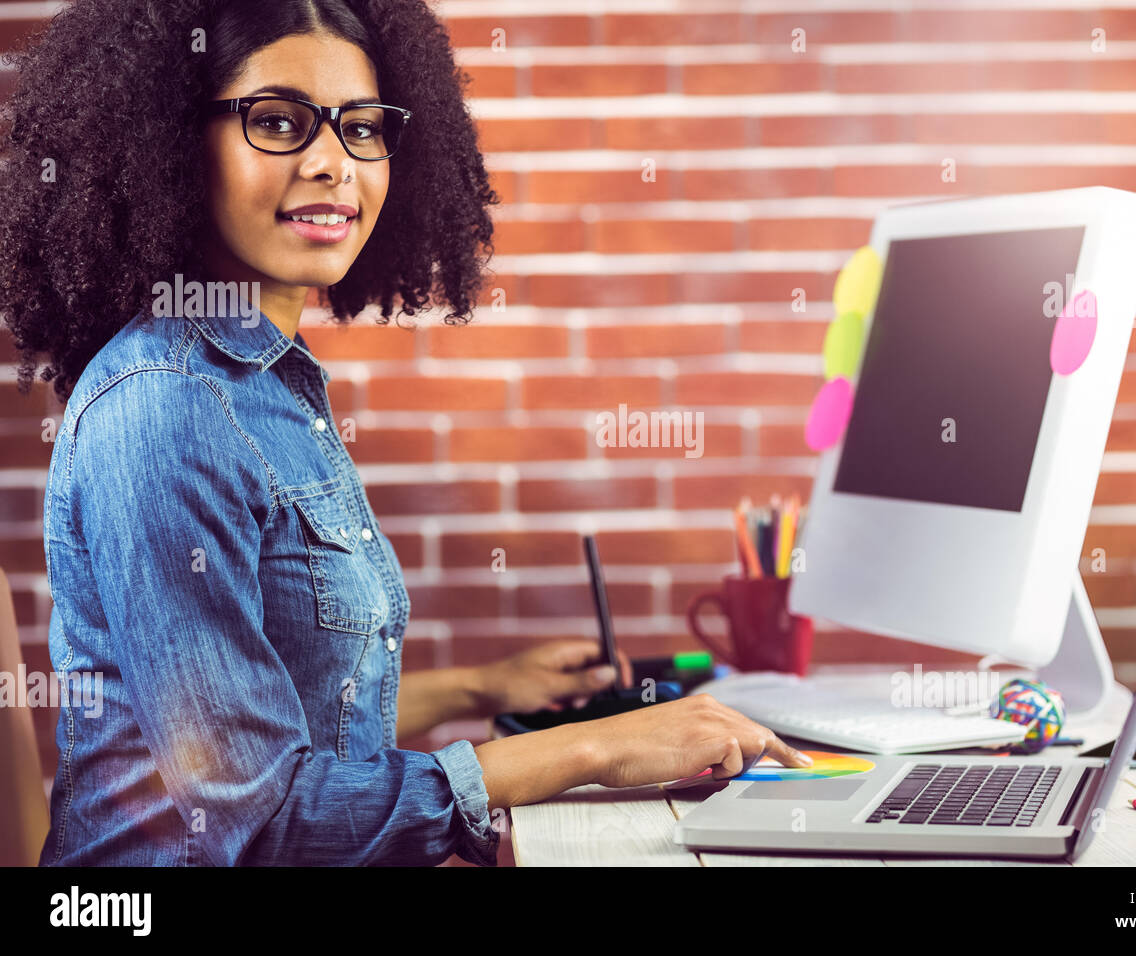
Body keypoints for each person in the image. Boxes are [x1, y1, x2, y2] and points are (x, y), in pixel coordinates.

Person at [0, 0, 809, 866]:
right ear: (164, 143)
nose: (332, 164)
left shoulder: (266, 380)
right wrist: (597, 749)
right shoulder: (166, 407)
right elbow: (262, 825)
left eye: (361, 128)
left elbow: (289, 713)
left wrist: (484, 687)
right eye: (277, 121)